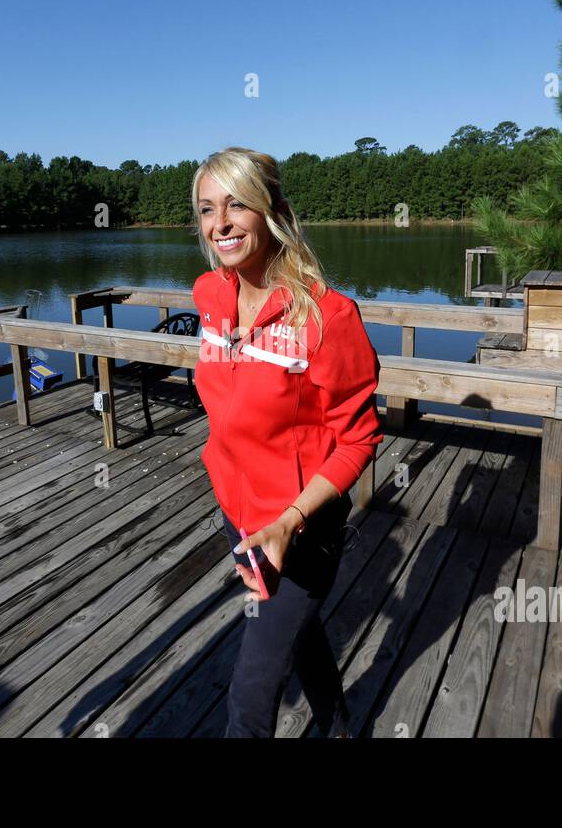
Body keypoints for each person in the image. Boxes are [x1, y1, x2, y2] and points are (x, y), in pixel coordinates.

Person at [189, 147, 383, 738]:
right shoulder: (209, 297)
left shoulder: (327, 317)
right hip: (237, 512)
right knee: (299, 637)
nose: (219, 223)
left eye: (236, 205)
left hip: (302, 527)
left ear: (273, 212)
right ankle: (340, 724)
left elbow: (358, 440)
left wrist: (288, 519)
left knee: (250, 691)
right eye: (206, 209)